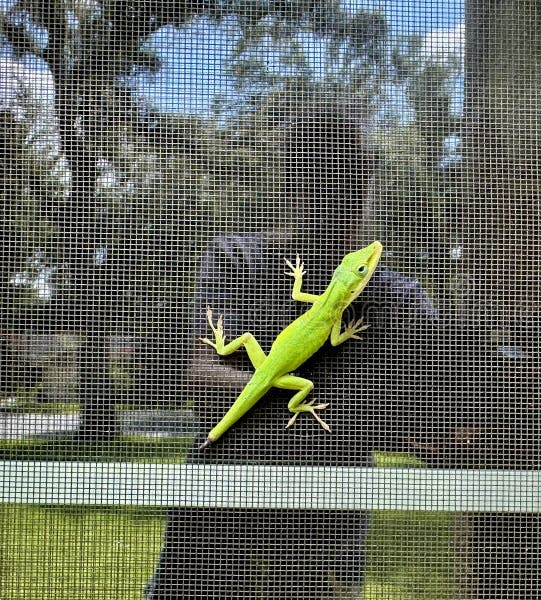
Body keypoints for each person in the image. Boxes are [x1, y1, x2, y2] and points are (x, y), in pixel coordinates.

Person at [145, 102, 442, 599]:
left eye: (350, 179)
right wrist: (347, 404)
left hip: (325, 543)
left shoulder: (393, 295)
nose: (338, 197)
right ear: (294, 186)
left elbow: (432, 416)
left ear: (366, 186)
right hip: (214, 533)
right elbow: (201, 374)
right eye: (320, 179)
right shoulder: (237, 257)